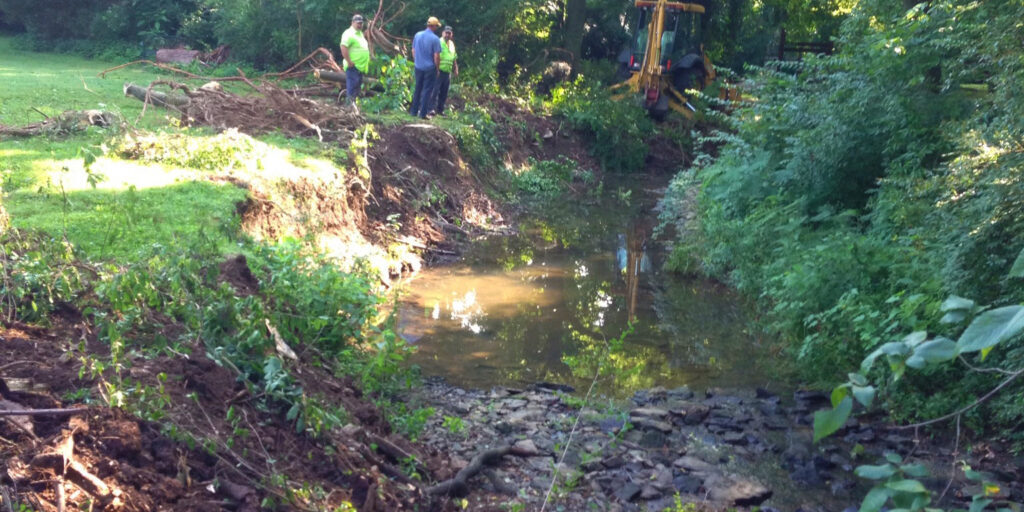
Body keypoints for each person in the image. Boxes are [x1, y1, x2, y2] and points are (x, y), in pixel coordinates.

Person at [410, 16, 442, 119]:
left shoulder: (417, 35)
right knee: (427, 91)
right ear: (434, 26)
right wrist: (437, 69)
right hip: (429, 68)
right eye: (436, 26)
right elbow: (436, 56)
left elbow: (413, 50)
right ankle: (423, 114)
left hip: (418, 67)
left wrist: (417, 61)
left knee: (417, 89)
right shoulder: (435, 39)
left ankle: (413, 112)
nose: (437, 28)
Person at [340, 14, 370, 105]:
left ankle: (354, 108)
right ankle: (349, 107)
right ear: (352, 22)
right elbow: (343, 47)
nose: (360, 25)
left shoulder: (360, 34)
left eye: (361, 23)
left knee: (357, 89)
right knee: (352, 88)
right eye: (358, 23)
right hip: (353, 66)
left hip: (360, 68)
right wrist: (349, 61)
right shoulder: (348, 33)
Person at [433, 25, 458, 116]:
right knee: (435, 91)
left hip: (447, 72)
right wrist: (436, 69)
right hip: (439, 70)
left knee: (444, 92)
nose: (447, 35)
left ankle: (440, 110)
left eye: (449, 33)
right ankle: (431, 109)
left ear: (451, 34)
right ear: (442, 33)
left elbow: (454, 57)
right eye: (446, 33)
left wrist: (456, 68)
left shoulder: (451, 44)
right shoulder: (439, 42)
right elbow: (435, 56)